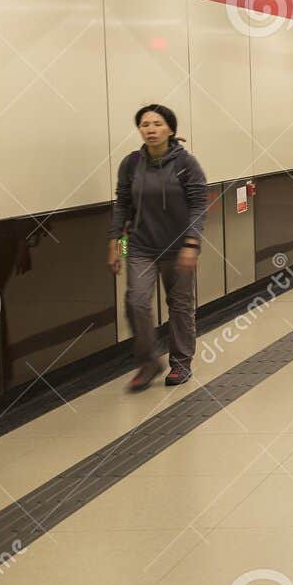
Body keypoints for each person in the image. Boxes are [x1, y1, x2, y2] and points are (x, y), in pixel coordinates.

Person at [108, 104, 208, 390]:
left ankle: (180, 364)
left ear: (171, 130)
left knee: (179, 305)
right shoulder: (131, 164)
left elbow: (199, 205)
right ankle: (148, 361)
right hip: (139, 246)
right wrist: (115, 243)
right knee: (136, 301)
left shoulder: (186, 164)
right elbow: (122, 205)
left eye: (157, 124)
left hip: (179, 247)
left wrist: (192, 243)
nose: (150, 129)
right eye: (145, 124)